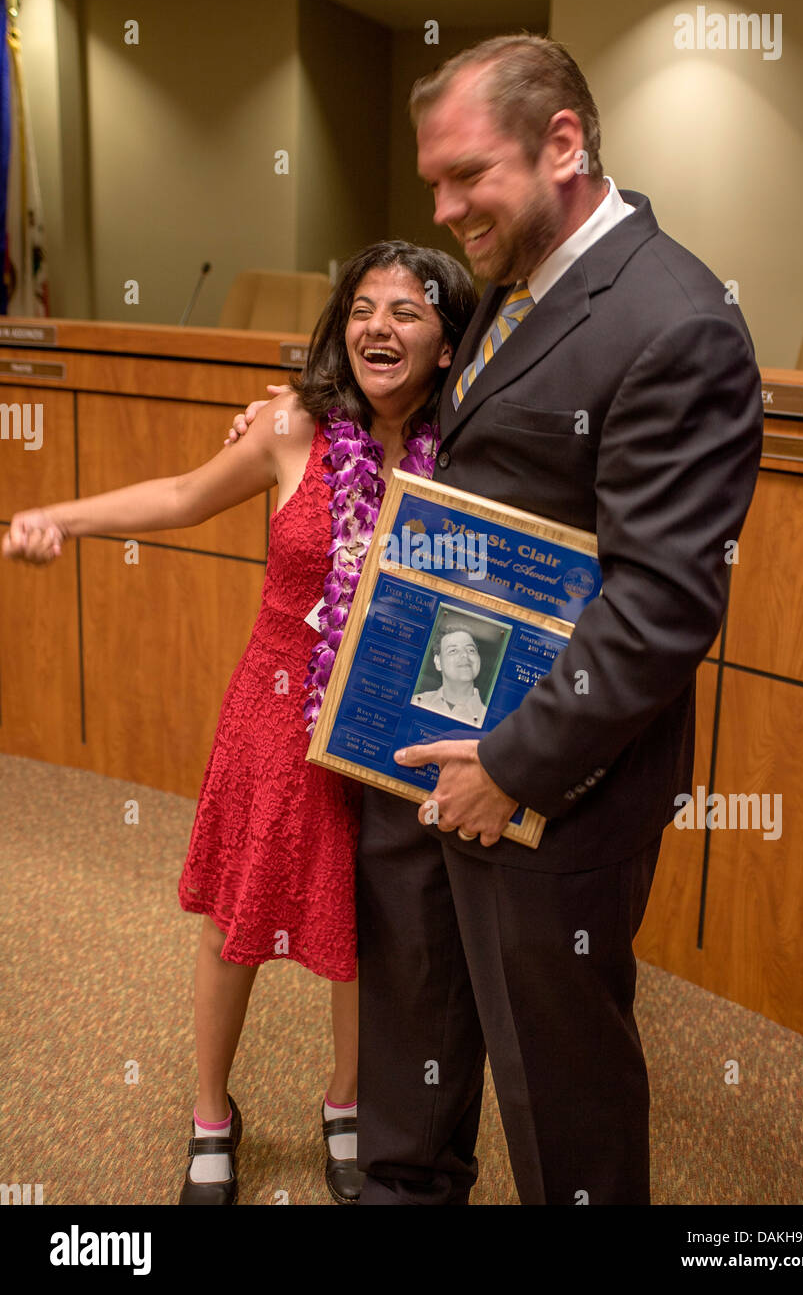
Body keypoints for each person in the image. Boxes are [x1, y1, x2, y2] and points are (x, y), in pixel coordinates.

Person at [352, 35, 765, 1205]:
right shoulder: (505, 292)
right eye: (432, 182)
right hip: (425, 741)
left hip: (552, 788)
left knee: (557, 1092)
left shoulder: (674, 320)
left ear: (564, 144)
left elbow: (662, 602)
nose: (441, 208)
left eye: (465, 176)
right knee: (413, 1050)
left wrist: (511, 766)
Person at [1, 240, 477, 1206]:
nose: (378, 329)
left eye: (406, 313)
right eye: (362, 309)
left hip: (388, 721)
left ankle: (351, 1104)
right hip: (272, 711)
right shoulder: (291, 425)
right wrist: (64, 515)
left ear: (447, 341)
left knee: (371, 927)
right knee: (236, 918)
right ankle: (210, 1112)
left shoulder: (468, 449)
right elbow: (180, 496)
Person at [411, 626, 487, 726]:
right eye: (453, 650)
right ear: (438, 662)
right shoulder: (416, 701)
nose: (465, 654)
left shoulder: (487, 719)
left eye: (471, 650)